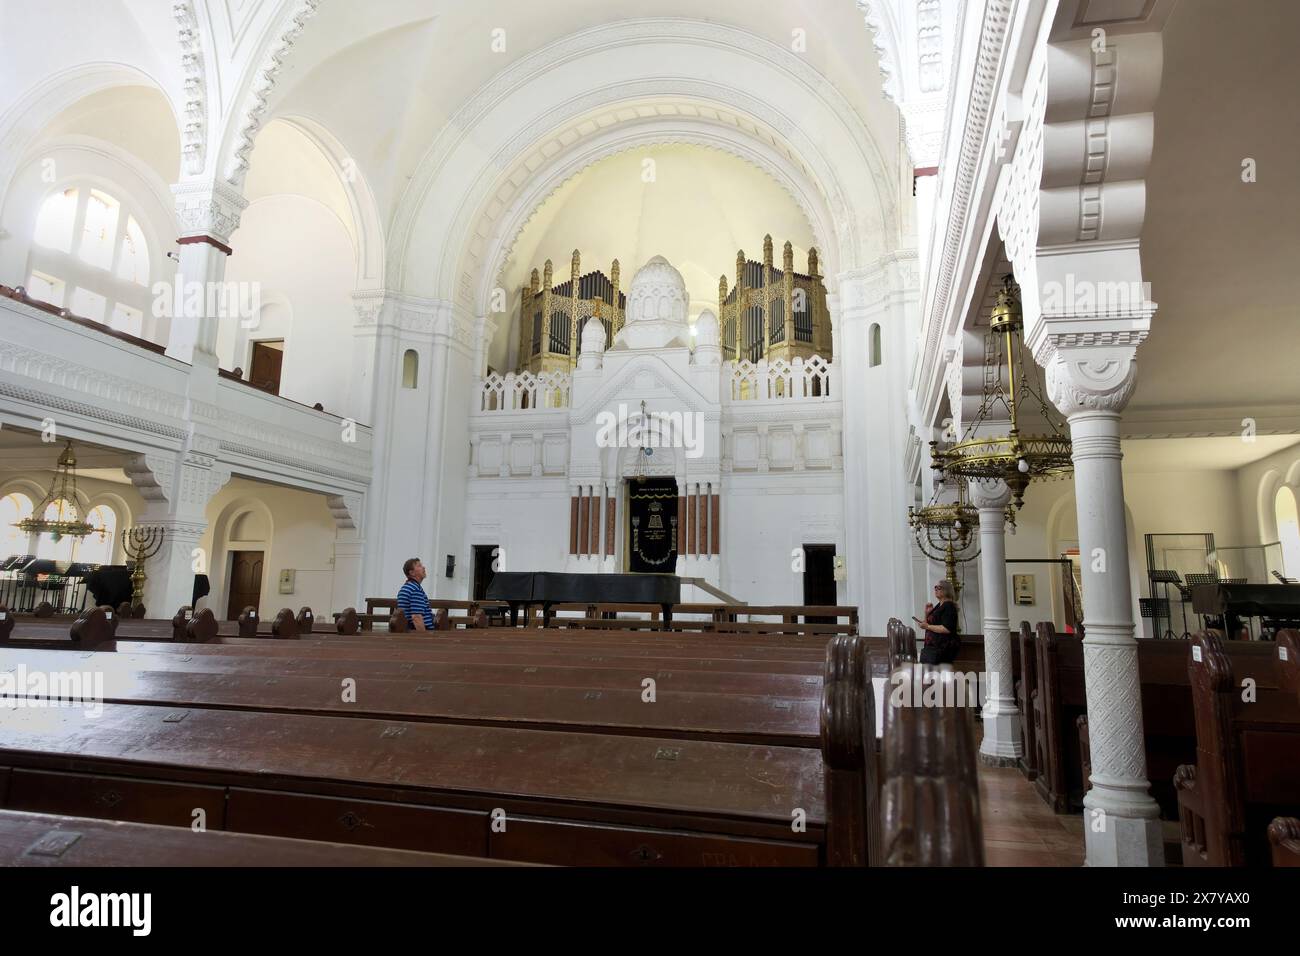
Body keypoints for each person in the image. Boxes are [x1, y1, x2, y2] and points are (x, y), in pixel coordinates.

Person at [914, 579, 960, 665]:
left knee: (937, 675)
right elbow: (929, 624)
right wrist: (927, 613)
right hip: (932, 647)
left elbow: (947, 628)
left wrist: (927, 626)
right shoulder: (939, 606)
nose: (935, 589)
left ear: (946, 590)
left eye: (938, 587)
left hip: (942, 649)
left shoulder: (949, 606)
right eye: (935, 587)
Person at [396, 557, 435, 631]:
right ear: (412, 573)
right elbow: (416, 617)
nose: (424, 567)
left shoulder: (407, 587)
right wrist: (424, 638)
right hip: (420, 631)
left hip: (410, 630)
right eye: (419, 566)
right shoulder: (414, 589)